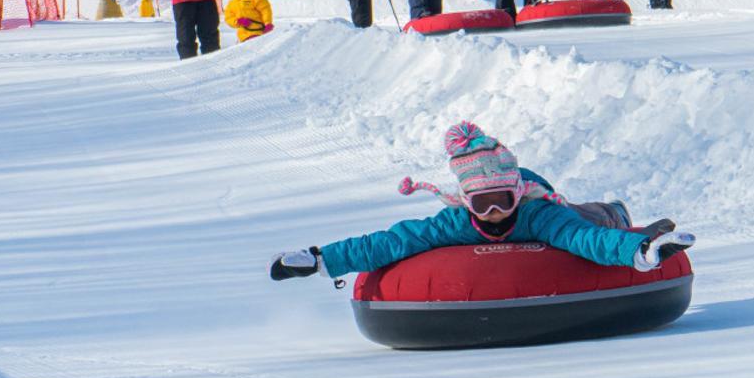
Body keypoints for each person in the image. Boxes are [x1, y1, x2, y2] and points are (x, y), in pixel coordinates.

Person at [270, 122, 694, 281]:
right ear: (464, 201)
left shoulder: (532, 210)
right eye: (482, 204)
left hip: (559, 209)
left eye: (501, 200)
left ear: (516, 193)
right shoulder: (455, 222)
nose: (494, 213)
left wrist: (639, 251)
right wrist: (321, 259)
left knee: (584, 220)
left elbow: (585, 240)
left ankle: (615, 210)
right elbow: (392, 241)